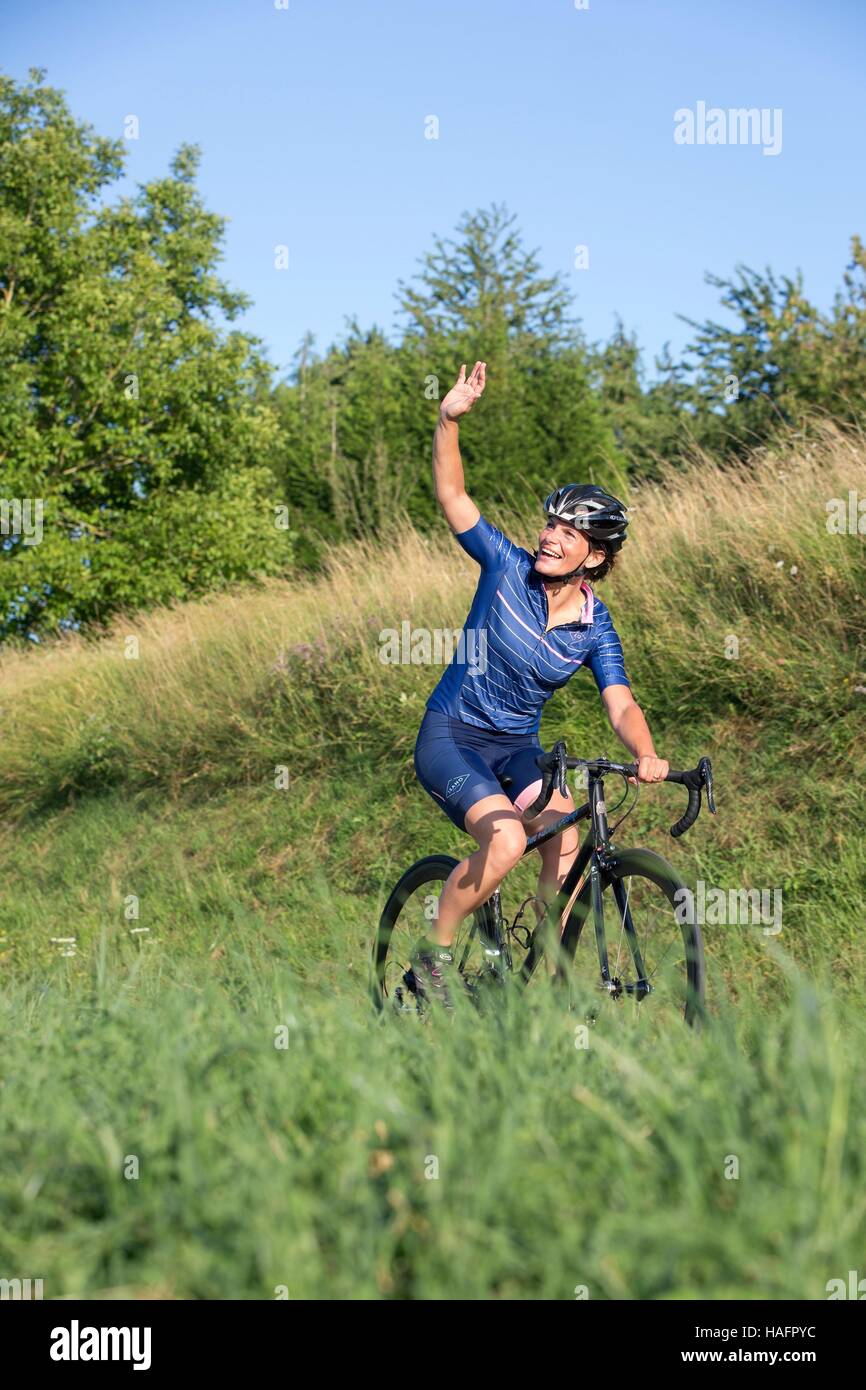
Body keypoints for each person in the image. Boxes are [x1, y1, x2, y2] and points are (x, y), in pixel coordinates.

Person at [411, 361, 669, 1004]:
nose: (551, 537)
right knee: (503, 839)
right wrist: (448, 421)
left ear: (597, 556)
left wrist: (645, 752)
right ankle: (432, 958)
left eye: (569, 532)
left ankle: (539, 975)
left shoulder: (593, 624)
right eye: (551, 524)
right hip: (452, 736)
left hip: (516, 748)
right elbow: (452, 496)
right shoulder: (505, 568)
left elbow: (620, 701)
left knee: (564, 834)